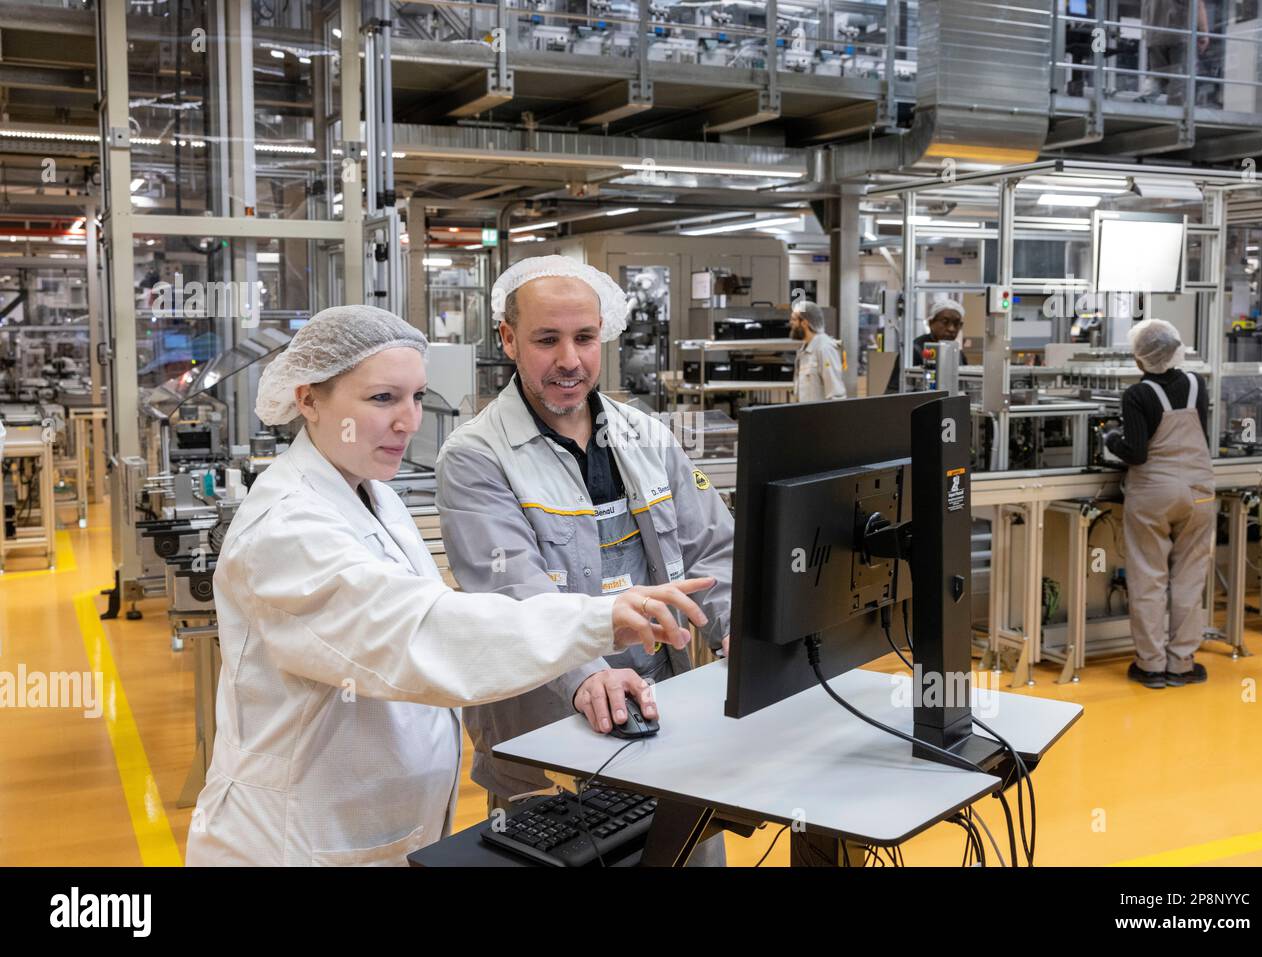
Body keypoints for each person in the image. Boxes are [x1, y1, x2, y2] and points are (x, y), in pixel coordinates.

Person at [185, 305, 714, 866]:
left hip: (380, 824)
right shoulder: (287, 526)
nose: (409, 421)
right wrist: (597, 620)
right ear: (309, 400)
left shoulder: (373, 494)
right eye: (382, 398)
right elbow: (417, 634)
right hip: (294, 839)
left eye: (416, 397)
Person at [435, 256, 733, 866]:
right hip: (548, 737)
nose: (569, 360)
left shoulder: (648, 437)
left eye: (585, 338)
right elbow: (513, 589)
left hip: (667, 719)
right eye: (547, 339)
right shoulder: (476, 457)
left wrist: (740, 629)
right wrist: (587, 677)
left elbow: (715, 548)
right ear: (508, 339)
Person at [1104, 318, 1214, 690]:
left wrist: (1111, 439)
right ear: (1176, 349)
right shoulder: (1198, 384)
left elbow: (1135, 452)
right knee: (1190, 578)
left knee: (1149, 577)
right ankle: (1182, 664)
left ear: (1140, 358)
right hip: (1199, 491)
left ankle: (1150, 666)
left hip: (1154, 494)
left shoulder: (1138, 394)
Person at [884, 298, 968, 394]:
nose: (951, 329)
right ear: (931, 323)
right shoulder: (914, 350)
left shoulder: (958, 354)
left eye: (956, 324)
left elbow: (965, 387)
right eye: (945, 322)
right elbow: (894, 390)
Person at [1142, 0, 1210, 105]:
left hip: (1154, 36)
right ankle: (1176, 108)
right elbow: (1198, 5)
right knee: (1179, 77)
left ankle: (1147, 100)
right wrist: (1203, 33)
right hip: (1179, 35)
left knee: (1157, 74)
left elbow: (1146, 9)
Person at [789, 300, 846, 402]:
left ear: (805, 323)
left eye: (794, 319)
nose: (790, 323)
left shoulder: (825, 348)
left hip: (821, 412)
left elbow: (836, 394)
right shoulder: (803, 350)